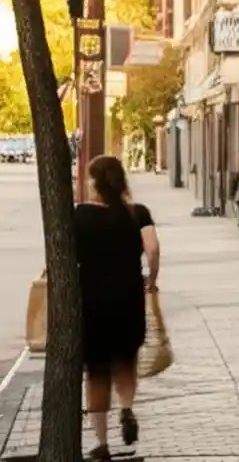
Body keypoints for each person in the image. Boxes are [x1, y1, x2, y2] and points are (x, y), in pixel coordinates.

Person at [74, 155, 160, 460]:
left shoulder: (80, 215)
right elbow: (152, 248)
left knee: (96, 372)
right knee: (126, 361)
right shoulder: (136, 213)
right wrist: (151, 279)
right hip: (128, 300)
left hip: (93, 302)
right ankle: (126, 409)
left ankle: (101, 442)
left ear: (95, 182)